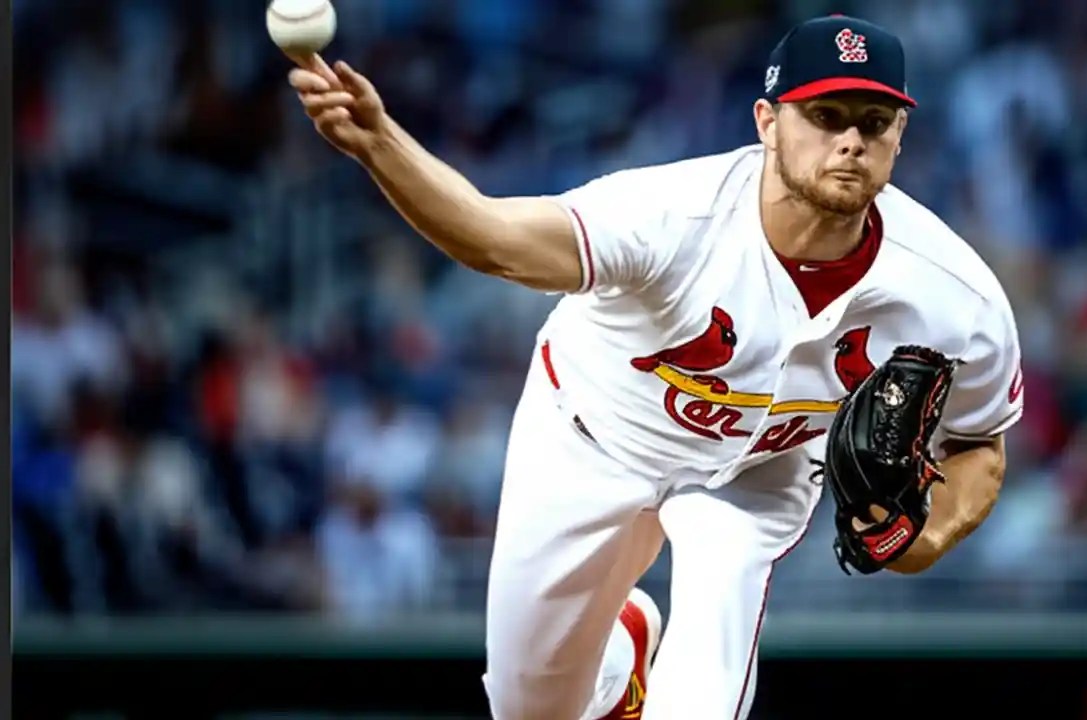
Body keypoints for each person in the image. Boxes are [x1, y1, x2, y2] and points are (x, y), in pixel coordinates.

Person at [286, 14, 1021, 720]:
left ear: (900, 135)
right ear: (768, 123)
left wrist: (924, 536)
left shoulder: (952, 294)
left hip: (756, 477)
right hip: (592, 432)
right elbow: (494, 239)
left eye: (873, 120)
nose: (851, 140)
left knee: (721, 574)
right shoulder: (673, 218)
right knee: (530, 707)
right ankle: (619, 658)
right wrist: (381, 143)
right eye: (826, 116)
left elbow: (981, 442)